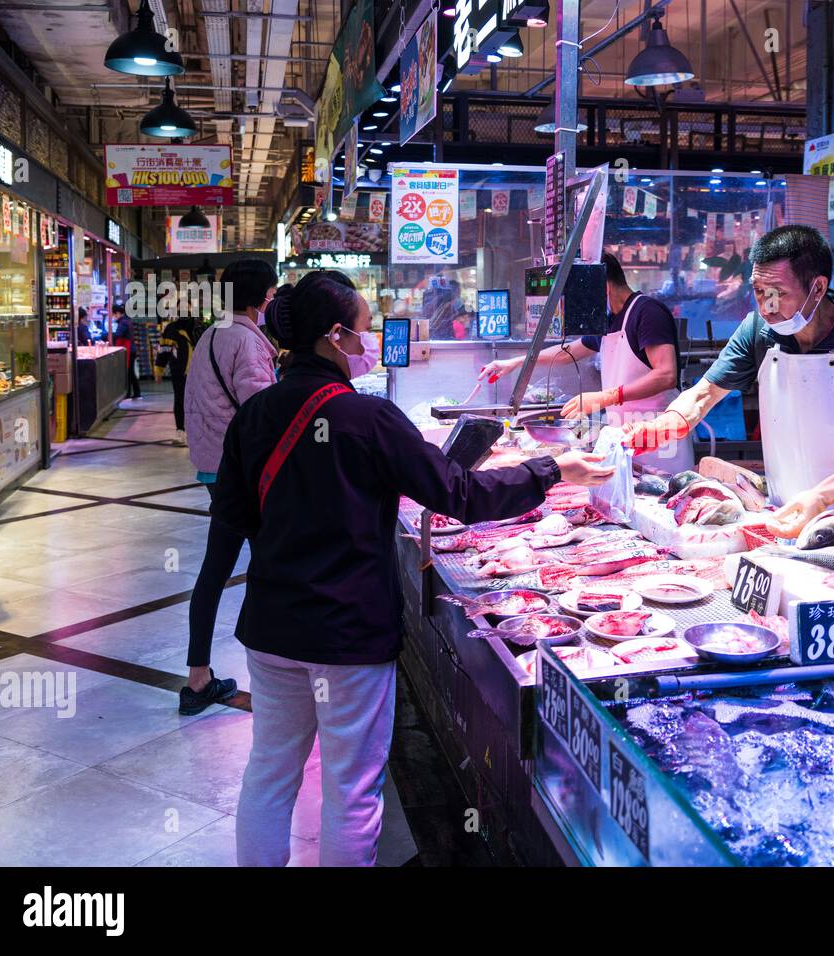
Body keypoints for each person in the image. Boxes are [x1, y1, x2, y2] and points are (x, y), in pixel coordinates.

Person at [212, 271, 612, 866]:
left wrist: (294, 542)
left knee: (269, 773)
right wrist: (551, 470)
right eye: (364, 332)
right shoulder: (367, 418)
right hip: (347, 634)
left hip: (272, 626)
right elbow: (462, 494)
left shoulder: (256, 414)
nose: (368, 345)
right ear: (336, 336)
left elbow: (233, 511)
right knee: (351, 791)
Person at [622, 225, 834, 534]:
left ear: (818, 288)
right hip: (788, 520)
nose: (767, 307)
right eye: (759, 291)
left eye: (779, 294)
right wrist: (659, 426)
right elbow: (702, 396)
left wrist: (825, 496)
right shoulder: (758, 331)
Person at [479, 252, 693, 471]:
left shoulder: (647, 312)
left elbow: (666, 375)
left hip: (661, 441)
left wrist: (605, 397)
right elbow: (567, 352)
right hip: (627, 437)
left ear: (604, 287)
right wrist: (517, 362)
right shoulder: (608, 320)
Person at [181, 258, 278, 715]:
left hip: (212, 467)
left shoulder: (212, 333)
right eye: (272, 293)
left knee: (215, 569)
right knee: (271, 565)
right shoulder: (246, 341)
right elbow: (261, 415)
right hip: (241, 472)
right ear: (262, 298)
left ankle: (198, 678)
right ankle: (278, 673)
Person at [159, 312, 200, 446]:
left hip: (199, 372)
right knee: (180, 399)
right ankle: (180, 430)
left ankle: (196, 431)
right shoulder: (171, 328)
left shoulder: (198, 327)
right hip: (179, 371)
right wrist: (159, 367)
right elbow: (164, 349)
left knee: (198, 401)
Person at [112, 303, 141, 399]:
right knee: (130, 372)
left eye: (113, 314)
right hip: (131, 349)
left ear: (117, 313)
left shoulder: (123, 322)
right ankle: (136, 392)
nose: (113, 317)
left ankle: (128, 393)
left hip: (129, 350)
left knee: (128, 372)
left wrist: (107, 335)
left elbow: (118, 334)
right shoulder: (126, 320)